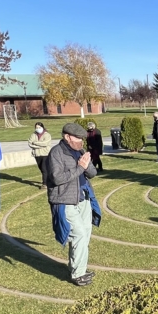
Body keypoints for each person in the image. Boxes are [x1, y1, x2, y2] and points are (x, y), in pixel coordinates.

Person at [47, 122, 100, 286]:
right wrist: (79, 168)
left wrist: (88, 163)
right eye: (77, 138)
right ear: (67, 137)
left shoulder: (80, 151)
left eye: (82, 139)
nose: (81, 141)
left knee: (85, 235)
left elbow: (92, 173)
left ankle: (77, 268)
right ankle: (78, 274)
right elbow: (57, 178)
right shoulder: (56, 153)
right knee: (79, 235)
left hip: (83, 198)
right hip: (65, 199)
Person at [28, 122, 52, 187]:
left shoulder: (47, 135)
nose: (38, 129)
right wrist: (40, 145)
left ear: (42, 127)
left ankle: (44, 184)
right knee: (41, 168)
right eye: (36, 128)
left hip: (45, 154)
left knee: (44, 168)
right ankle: (48, 179)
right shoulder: (33, 135)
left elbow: (46, 143)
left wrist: (35, 143)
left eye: (39, 127)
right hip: (37, 154)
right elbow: (30, 143)